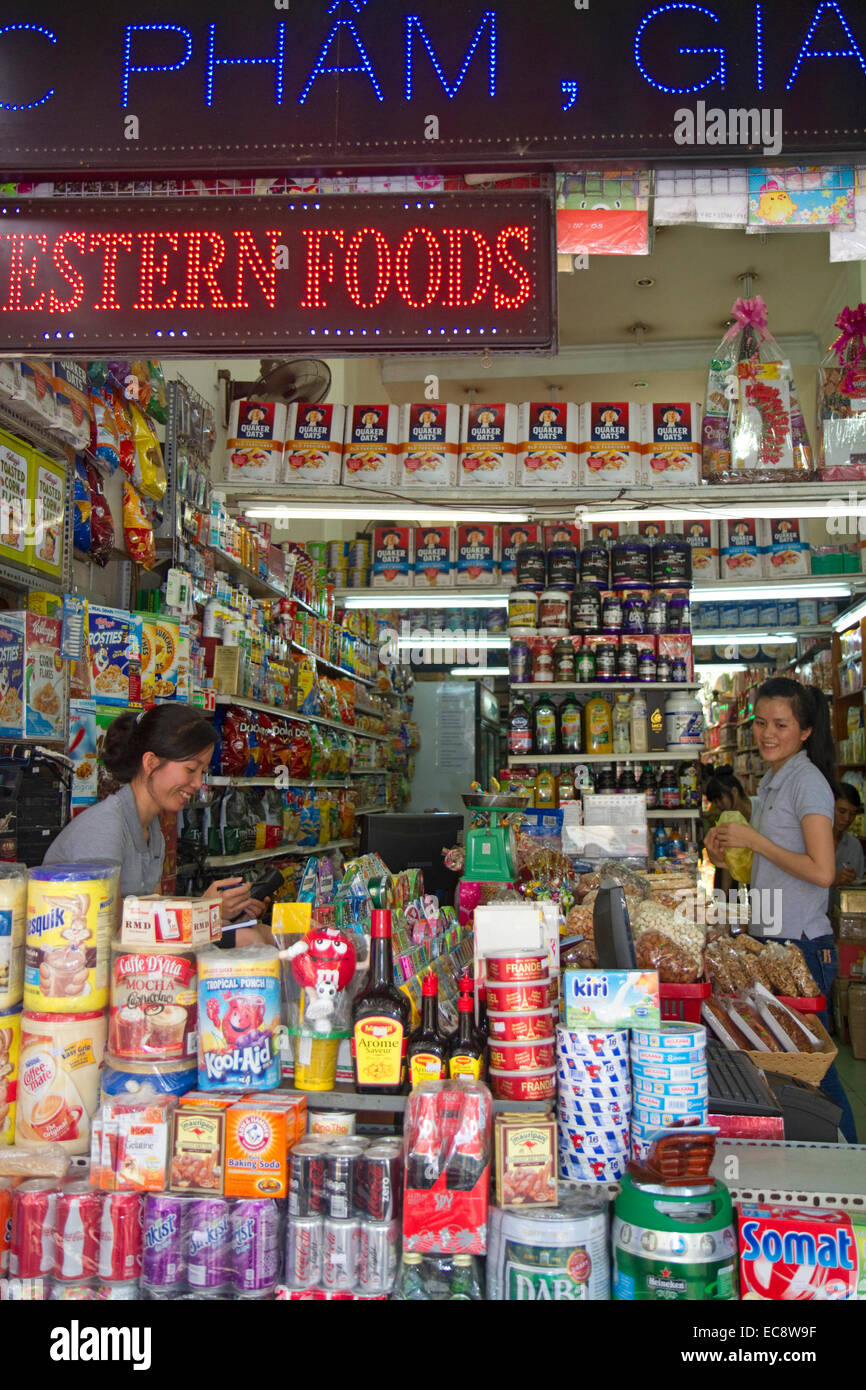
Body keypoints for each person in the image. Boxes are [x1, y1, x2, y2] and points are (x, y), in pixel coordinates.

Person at [704, 678, 857, 1142]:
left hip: (802, 947)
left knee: (813, 1071)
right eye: (761, 723)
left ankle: (849, 1158)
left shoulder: (807, 783)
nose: (768, 734)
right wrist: (724, 851)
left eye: (782, 725)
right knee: (787, 1067)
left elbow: (822, 871)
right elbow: (768, 870)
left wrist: (755, 840)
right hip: (774, 939)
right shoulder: (774, 779)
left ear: (806, 730)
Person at [44, 704, 269, 941]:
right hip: (79, 965)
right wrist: (205, 911)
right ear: (151, 763)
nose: (197, 784)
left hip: (129, 957)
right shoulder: (104, 829)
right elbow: (112, 934)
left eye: (202, 772)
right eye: (190, 769)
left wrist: (224, 915)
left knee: (257, 934)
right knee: (250, 940)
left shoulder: (152, 830)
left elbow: (152, 912)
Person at [704, 769, 756, 892]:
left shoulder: (762, 808)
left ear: (734, 791)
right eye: (715, 802)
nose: (719, 805)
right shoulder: (727, 819)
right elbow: (728, 860)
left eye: (720, 799)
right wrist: (724, 897)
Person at [833, 782, 865, 886]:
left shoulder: (854, 846)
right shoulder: (810, 840)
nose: (847, 819)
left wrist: (853, 881)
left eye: (852, 814)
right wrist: (833, 879)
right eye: (842, 811)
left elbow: (856, 890)